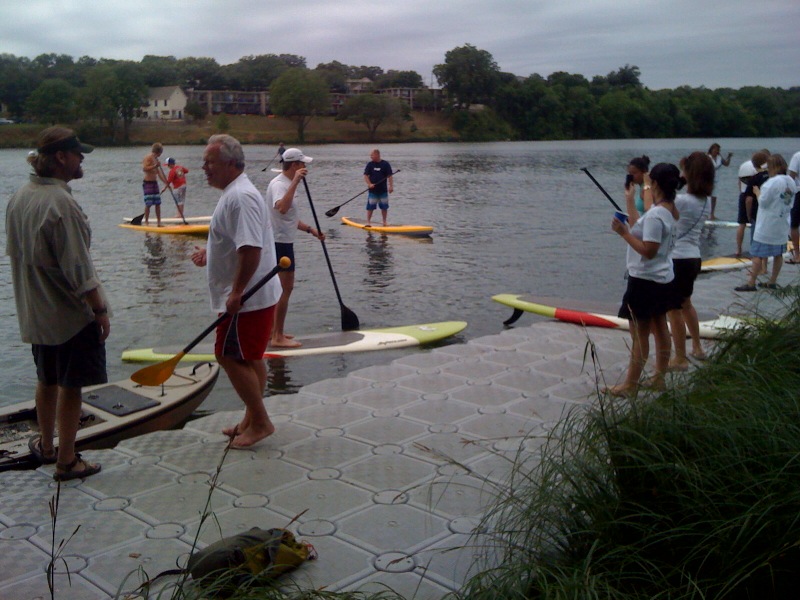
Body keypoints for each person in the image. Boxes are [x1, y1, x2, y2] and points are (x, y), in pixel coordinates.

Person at [5, 126, 110, 481]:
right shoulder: (61, 204)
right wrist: (100, 310)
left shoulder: (20, 196)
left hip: (36, 313)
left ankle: (46, 446)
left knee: (46, 378)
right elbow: (80, 269)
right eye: (78, 153)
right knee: (71, 385)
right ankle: (67, 460)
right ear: (61, 158)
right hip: (68, 315)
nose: (82, 159)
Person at [190, 134, 282, 448]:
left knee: (228, 355)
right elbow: (237, 241)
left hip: (247, 298)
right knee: (251, 357)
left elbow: (251, 249)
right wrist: (211, 253)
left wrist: (237, 292)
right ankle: (250, 419)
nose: (204, 167)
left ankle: (260, 422)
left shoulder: (240, 196)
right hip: (253, 296)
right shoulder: (236, 192)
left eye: (209, 162)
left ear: (230, 163)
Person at [605, 163, 682, 397]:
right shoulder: (670, 209)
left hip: (645, 281)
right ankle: (659, 378)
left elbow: (648, 250)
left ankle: (630, 385)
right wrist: (629, 200)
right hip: (663, 277)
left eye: (649, 182)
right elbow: (642, 225)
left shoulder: (657, 214)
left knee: (639, 334)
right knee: (660, 329)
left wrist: (624, 233)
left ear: (656, 184)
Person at [266, 147, 324, 348]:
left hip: (284, 240)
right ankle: (277, 337)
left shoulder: (287, 184)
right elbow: (282, 208)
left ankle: (274, 332)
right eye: (302, 164)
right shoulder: (280, 185)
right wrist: (296, 181)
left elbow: (290, 218)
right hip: (279, 243)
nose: (305, 166)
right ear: (294, 166)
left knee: (281, 289)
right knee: (285, 288)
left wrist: (310, 230)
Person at [667, 152, 715, 370]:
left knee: (674, 308)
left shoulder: (683, 201)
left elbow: (657, 203)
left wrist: (648, 185)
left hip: (678, 259)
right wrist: (684, 173)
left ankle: (680, 358)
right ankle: (697, 346)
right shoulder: (703, 200)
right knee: (686, 304)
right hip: (693, 257)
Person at [735, 154, 797, 292]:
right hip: (781, 223)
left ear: (773, 167)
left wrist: (757, 192)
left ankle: (751, 282)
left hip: (767, 224)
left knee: (757, 253)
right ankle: (772, 281)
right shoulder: (790, 181)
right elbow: (790, 202)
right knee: (778, 254)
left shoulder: (771, 182)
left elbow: (763, 203)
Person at [735, 151, 770, 258]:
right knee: (757, 225)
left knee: (742, 224)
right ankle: (760, 253)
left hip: (743, 194)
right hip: (754, 197)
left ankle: (738, 249)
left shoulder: (744, 165)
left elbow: (739, 181)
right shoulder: (763, 172)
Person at [363, 149, 394, 226]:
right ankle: (368, 222)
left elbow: (389, 176)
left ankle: (384, 222)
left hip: (383, 190)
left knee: (384, 207)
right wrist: (369, 184)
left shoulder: (385, 164)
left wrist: (391, 186)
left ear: (377, 155)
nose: (371, 157)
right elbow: (365, 175)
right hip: (373, 190)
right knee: (370, 207)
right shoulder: (370, 164)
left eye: (372, 155)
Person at [142, 142, 168, 226]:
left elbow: (159, 173)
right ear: (158, 152)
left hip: (154, 183)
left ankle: (159, 222)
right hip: (148, 183)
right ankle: (146, 222)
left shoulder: (156, 159)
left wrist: (166, 183)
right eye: (160, 153)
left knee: (158, 203)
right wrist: (154, 166)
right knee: (148, 203)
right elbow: (145, 168)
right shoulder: (148, 157)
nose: (160, 155)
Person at [707, 143, 732, 220]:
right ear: (711, 150)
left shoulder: (719, 157)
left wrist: (729, 157)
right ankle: (705, 214)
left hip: (716, 180)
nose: (716, 151)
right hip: (708, 179)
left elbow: (726, 164)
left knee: (714, 197)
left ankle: (712, 214)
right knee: (707, 197)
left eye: (718, 150)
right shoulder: (707, 157)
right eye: (715, 149)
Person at [623, 155, 652, 221]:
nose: (631, 176)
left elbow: (650, 209)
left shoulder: (647, 188)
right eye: (629, 173)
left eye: (634, 173)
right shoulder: (642, 187)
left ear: (644, 172)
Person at [787, 150, 800, 264]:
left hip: (799, 193)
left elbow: (791, 176)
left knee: (794, 225)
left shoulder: (797, 156)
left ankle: (797, 254)